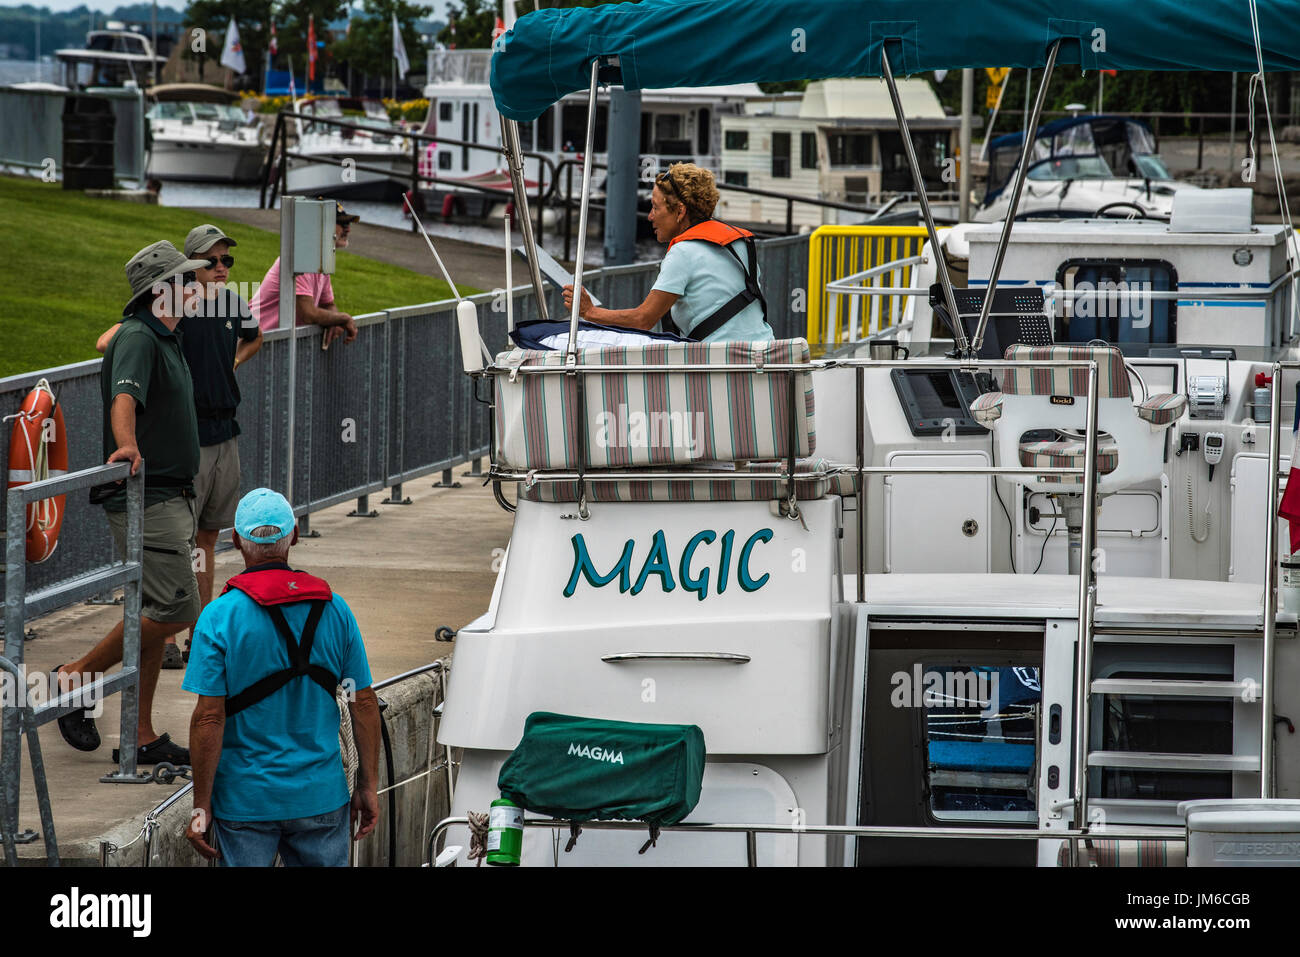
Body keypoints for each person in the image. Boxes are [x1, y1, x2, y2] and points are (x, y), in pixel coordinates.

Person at [56, 240, 211, 767]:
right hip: (148, 497)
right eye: (186, 280)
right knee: (177, 608)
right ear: (160, 292)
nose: (196, 287)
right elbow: (125, 397)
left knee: (151, 613)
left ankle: (141, 737)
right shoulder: (141, 338)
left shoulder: (164, 335)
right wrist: (127, 445)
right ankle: (73, 678)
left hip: (171, 495)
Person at [96, 225, 265, 669]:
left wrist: (231, 361)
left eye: (227, 261)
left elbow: (255, 336)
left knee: (205, 542)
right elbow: (119, 378)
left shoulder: (224, 305)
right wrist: (128, 444)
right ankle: (101, 667)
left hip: (219, 436)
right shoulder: (154, 327)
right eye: (210, 263)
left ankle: (195, 642)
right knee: (175, 575)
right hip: (166, 476)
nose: (221, 270)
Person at [182, 488, 380, 866]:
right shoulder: (335, 609)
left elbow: (209, 717)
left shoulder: (218, 617)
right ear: (295, 535)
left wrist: (201, 807)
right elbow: (363, 702)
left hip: (244, 802)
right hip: (321, 797)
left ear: (237, 541)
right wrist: (368, 786)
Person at [563, 162, 773, 344]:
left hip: (721, 365)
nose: (650, 217)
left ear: (680, 211)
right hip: (764, 356)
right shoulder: (741, 243)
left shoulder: (684, 252)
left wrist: (589, 311)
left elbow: (643, 319)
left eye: (655, 207)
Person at [251, 200, 359, 348]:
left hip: (275, 345)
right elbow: (308, 314)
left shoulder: (319, 259)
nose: (348, 230)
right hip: (258, 345)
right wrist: (343, 318)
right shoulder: (301, 257)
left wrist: (335, 320)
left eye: (348, 224)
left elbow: (328, 304)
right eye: (342, 224)